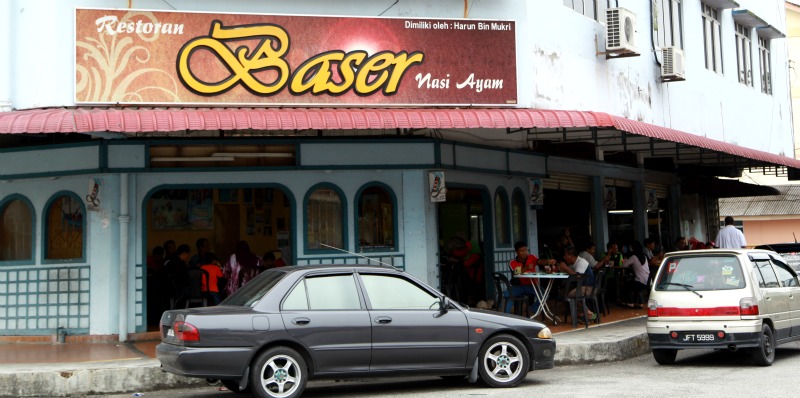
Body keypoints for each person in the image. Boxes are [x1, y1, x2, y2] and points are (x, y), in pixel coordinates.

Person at [508, 241, 556, 314]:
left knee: (545, 295)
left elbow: (539, 261)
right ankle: (505, 316)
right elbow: (515, 272)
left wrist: (548, 261)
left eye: (525, 250)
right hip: (518, 286)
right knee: (507, 295)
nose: (524, 252)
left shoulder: (531, 257)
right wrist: (526, 268)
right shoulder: (512, 262)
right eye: (521, 251)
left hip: (532, 285)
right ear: (516, 252)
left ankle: (531, 310)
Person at [557, 245, 596, 321]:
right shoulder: (574, 263)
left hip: (588, 287)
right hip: (582, 286)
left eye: (565, 255)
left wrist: (565, 267)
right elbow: (571, 272)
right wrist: (561, 269)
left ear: (570, 256)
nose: (564, 257)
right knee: (563, 293)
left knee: (572, 294)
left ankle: (588, 313)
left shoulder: (580, 262)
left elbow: (578, 277)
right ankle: (581, 314)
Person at [620, 240, 650, 308]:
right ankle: (640, 303)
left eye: (631, 247)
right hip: (647, 281)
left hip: (639, 282)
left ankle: (630, 303)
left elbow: (624, 265)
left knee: (627, 284)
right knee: (635, 283)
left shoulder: (634, 257)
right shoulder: (644, 257)